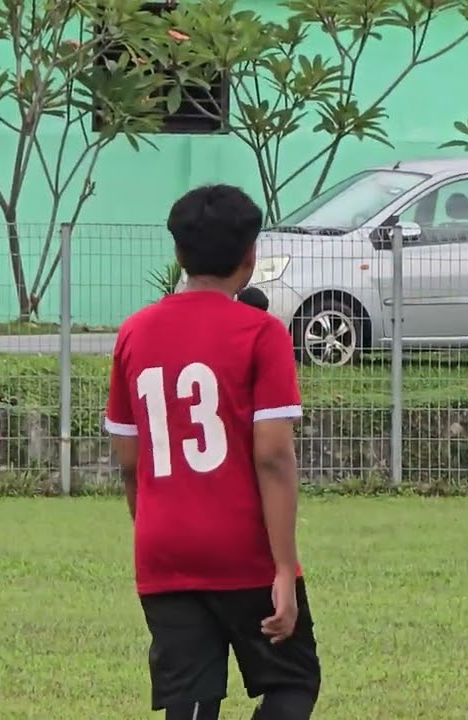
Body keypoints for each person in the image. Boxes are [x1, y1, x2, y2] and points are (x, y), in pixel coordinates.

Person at [104, 184, 321, 720]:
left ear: (179, 253)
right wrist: (284, 568)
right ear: (250, 256)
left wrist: (156, 529)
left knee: (192, 701)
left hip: (163, 547)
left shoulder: (134, 333)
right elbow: (273, 457)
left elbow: (129, 461)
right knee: (292, 681)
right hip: (243, 551)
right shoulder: (262, 333)